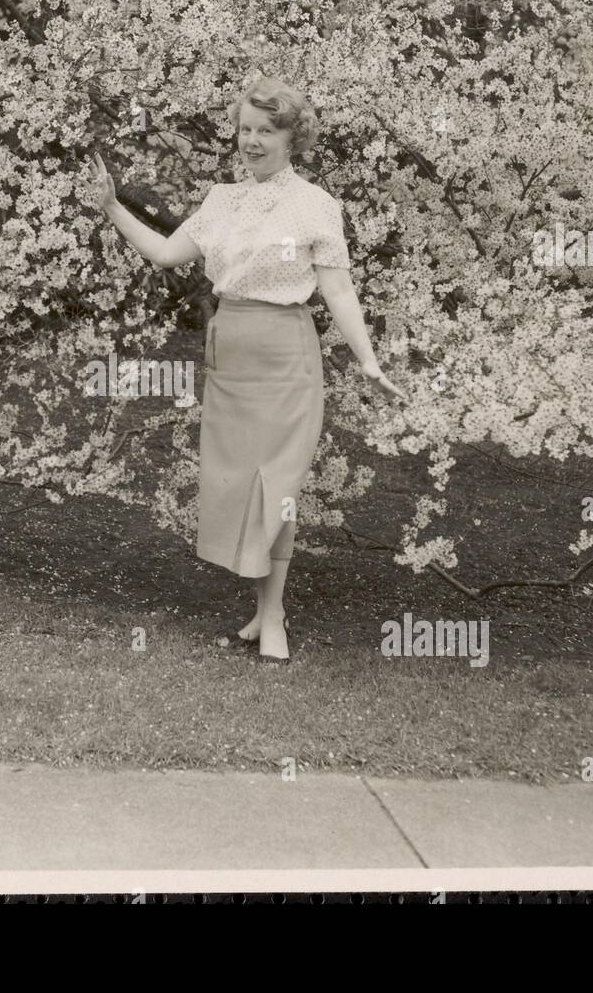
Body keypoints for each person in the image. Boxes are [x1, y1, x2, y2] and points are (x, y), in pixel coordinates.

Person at [86, 77, 407, 662]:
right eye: (245, 130)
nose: (252, 141)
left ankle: (275, 614)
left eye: (266, 130)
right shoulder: (220, 201)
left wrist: (367, 359)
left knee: (277, 487)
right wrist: (111, 207)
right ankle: (263, 611)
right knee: (242, 487)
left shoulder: (315, 205)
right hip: (230, 352)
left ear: (292, 137)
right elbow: (164, 254)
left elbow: (337, 289)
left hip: (287, 354)